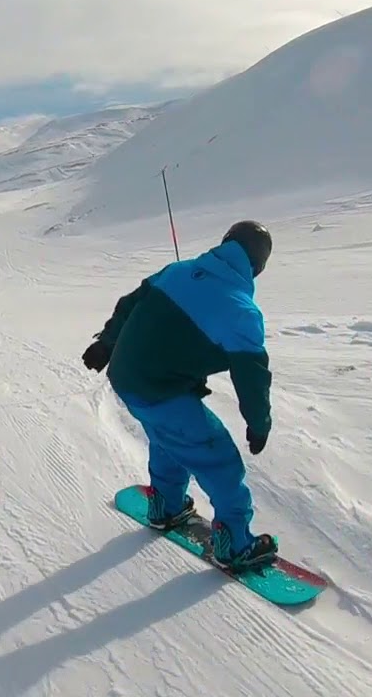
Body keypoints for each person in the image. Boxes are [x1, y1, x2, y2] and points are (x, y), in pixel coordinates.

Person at [82, 220, 278, 570]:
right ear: (258, 267)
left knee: (167, 437)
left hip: (127, 379)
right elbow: (251, 376)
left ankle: (166, 505)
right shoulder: (241, 311)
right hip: (160, 388)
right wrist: (258, 423)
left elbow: (131, 303)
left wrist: (106, 343)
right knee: (219, 459)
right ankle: (234, 544)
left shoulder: (178, 271)